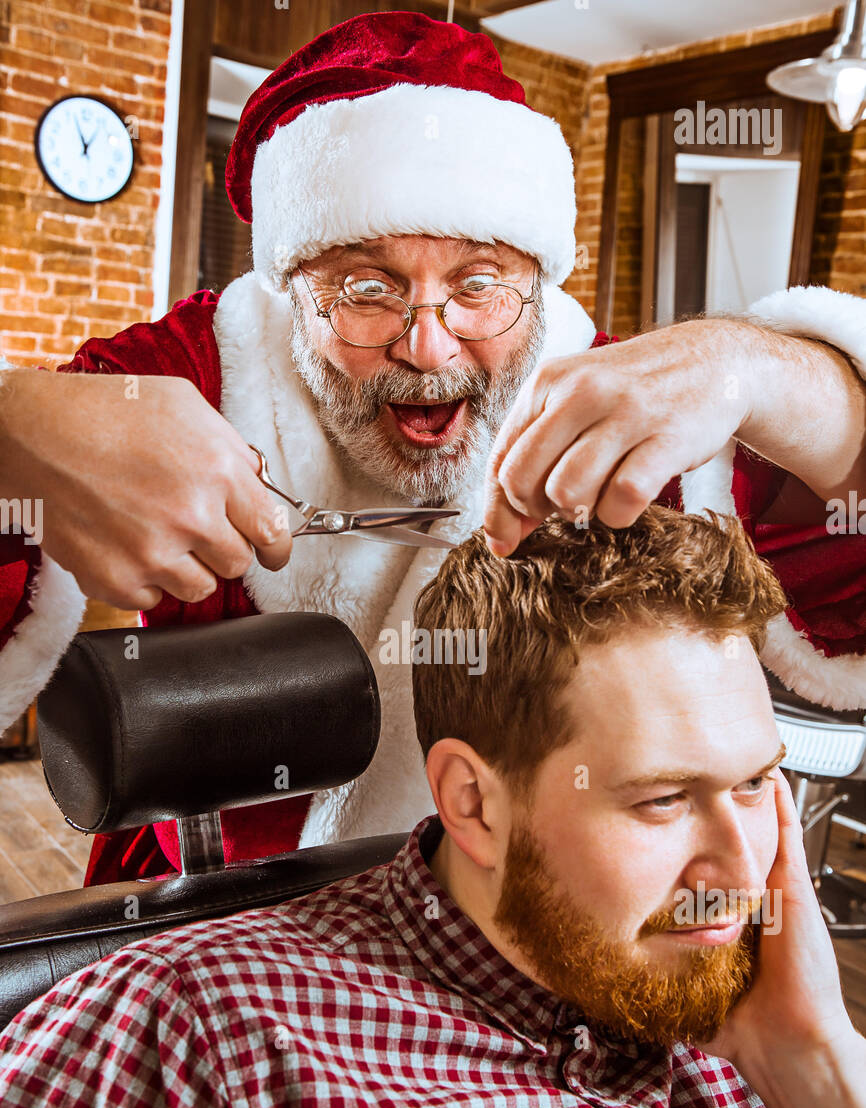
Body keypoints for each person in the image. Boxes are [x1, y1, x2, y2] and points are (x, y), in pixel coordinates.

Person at [1, 11, 865, 885]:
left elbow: (844, 574)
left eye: (479, 283)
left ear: (536, 278)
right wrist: (16, 424)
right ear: (294, 288)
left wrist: (758, 368)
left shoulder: (606, 391)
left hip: (523, 909)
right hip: (221, 899)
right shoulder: (203, 365)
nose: (429, 348)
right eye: (366, 288)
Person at [0, 506, 863, 1108]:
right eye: (663, 801)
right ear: (474, 803)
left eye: (756, 783)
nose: (739, 872)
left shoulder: (756, 1026)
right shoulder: (185, 1041)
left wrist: (817, 1060)